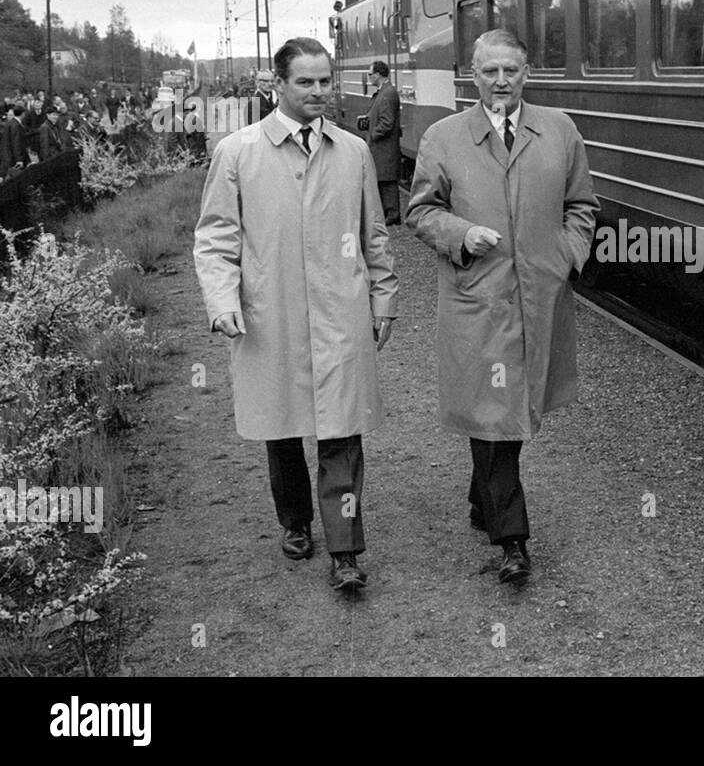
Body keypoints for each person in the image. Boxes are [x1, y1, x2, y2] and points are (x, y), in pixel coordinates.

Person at [193, 37, 398, 592]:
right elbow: (215, 238)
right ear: (278, 86)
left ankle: (346, 550)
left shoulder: (352, 151)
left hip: (340, 310)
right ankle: (296, 521)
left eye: (325, 80)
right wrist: (222, 301)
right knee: (280, 425)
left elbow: (372, 233)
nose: (318, 92)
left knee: (342, 429)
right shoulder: (238, 153)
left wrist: (383, 299)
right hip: (271, 310)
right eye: (305, 82)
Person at [406, 29, 598, 584]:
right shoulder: (444, 138)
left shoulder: (559, 131)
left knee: (510, 408)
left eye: (510, 70)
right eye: (489, 71)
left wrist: (565, 256)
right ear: (472, 74)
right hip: (479, 299)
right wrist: (461, 235)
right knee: (495, 409)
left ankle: (480, 499)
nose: (500, 81)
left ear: (526, 72)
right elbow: (420, 212)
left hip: (539, 297)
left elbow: (582, 204)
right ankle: (512, 540)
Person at [364, 60, 402, 225]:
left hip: (384, 147)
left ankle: (393, 215)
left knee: (387, 181)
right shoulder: (384, 92)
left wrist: (373, 135)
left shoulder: (387, 93)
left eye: (370, 74)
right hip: (382, 147)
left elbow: (387, 122)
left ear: (378, 75)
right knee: (384, 180)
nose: (369, 78)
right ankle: (389, 213)